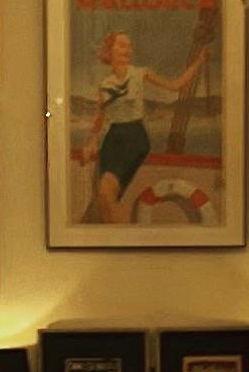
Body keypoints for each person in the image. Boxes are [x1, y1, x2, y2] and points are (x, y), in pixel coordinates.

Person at [86, 17, 212, 226]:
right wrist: (91, 143)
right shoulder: (104, 84)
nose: (127, 50)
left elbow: (176, 86)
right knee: (104, 197)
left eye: (129, 46)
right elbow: (100, 117)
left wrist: (198, 63)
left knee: (106, 191)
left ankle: (118, 244)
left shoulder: (140, 74)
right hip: (112, 141)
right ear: (110, 50)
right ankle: (111, 247)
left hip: (134, 138)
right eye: (122, 45)